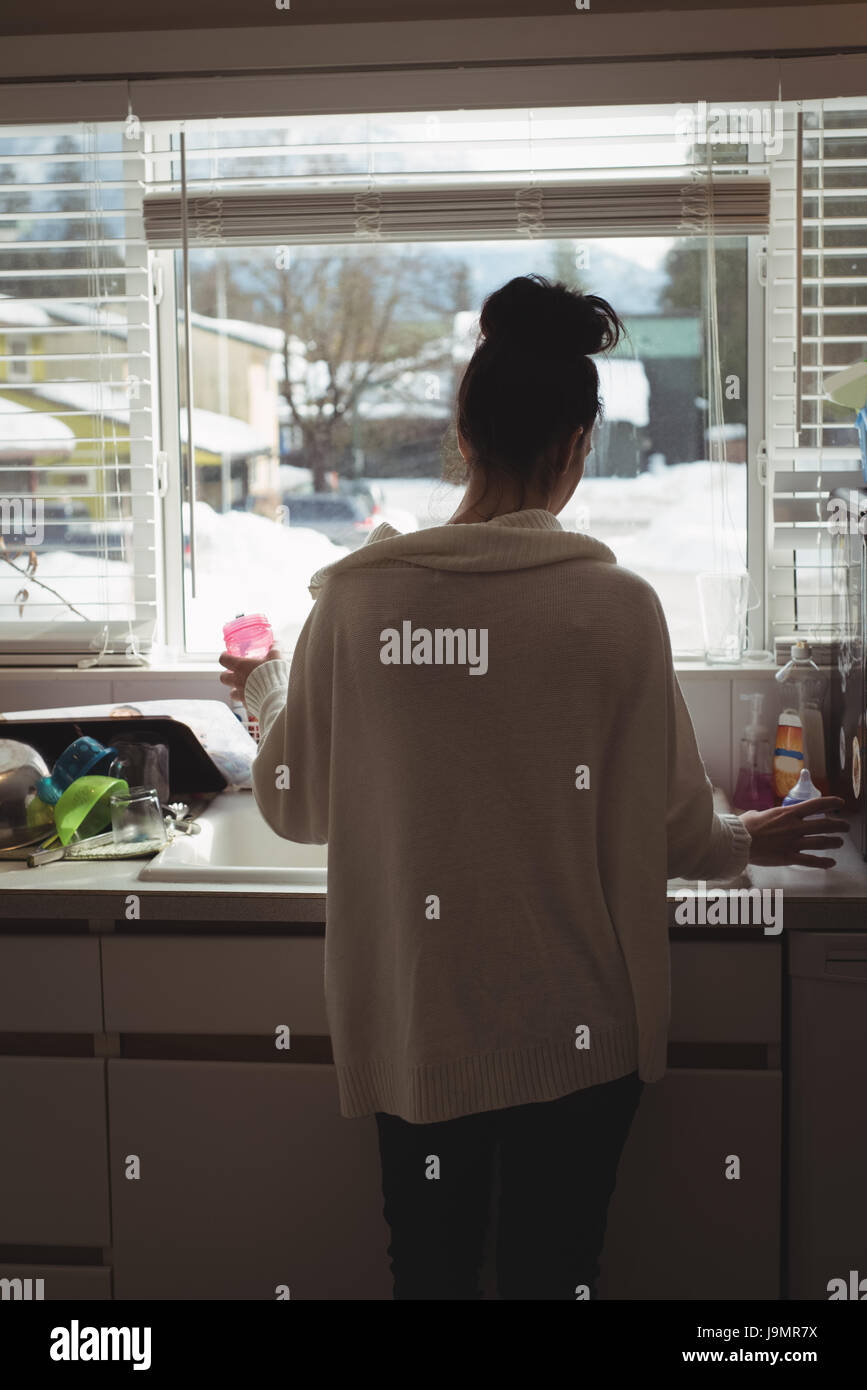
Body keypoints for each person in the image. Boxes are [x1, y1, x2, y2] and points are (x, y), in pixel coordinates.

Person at [219, 274, 847, 1301]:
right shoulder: (617, 608)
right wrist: (750, 839)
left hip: (424, 1035)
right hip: (579, 1038)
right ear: (578, 443)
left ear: (464, 433)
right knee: (558, 1279)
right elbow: (675, 830)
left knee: (430, 1274)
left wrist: (267, 688)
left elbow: (297, 800)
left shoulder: (359, 601)